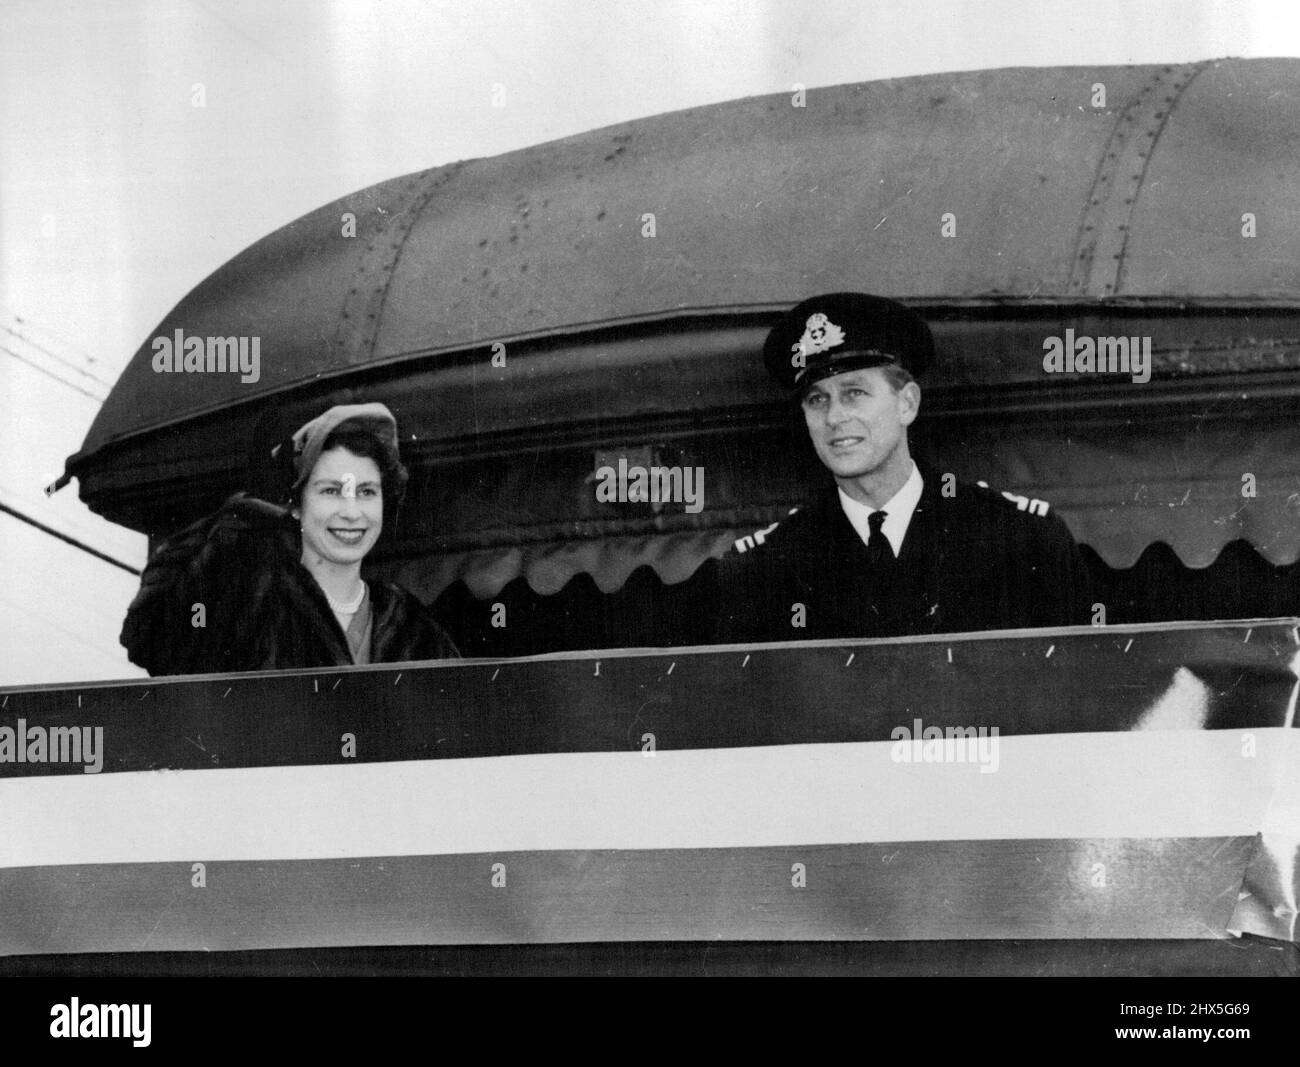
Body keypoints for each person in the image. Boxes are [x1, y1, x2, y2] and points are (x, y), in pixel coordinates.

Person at [712, 293, 1092, 643]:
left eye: (854, 393)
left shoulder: (1021, 539)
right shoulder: (763, 568)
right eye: (817, 400)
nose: (834, 417)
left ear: (907, 404)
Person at [122, 402, 459, 674]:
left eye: (367, 492)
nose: (352, 512)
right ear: (295, 505)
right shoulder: (252, 600)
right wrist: (226, 532)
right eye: (331, 491)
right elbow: (149, 640)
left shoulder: (413, 626)